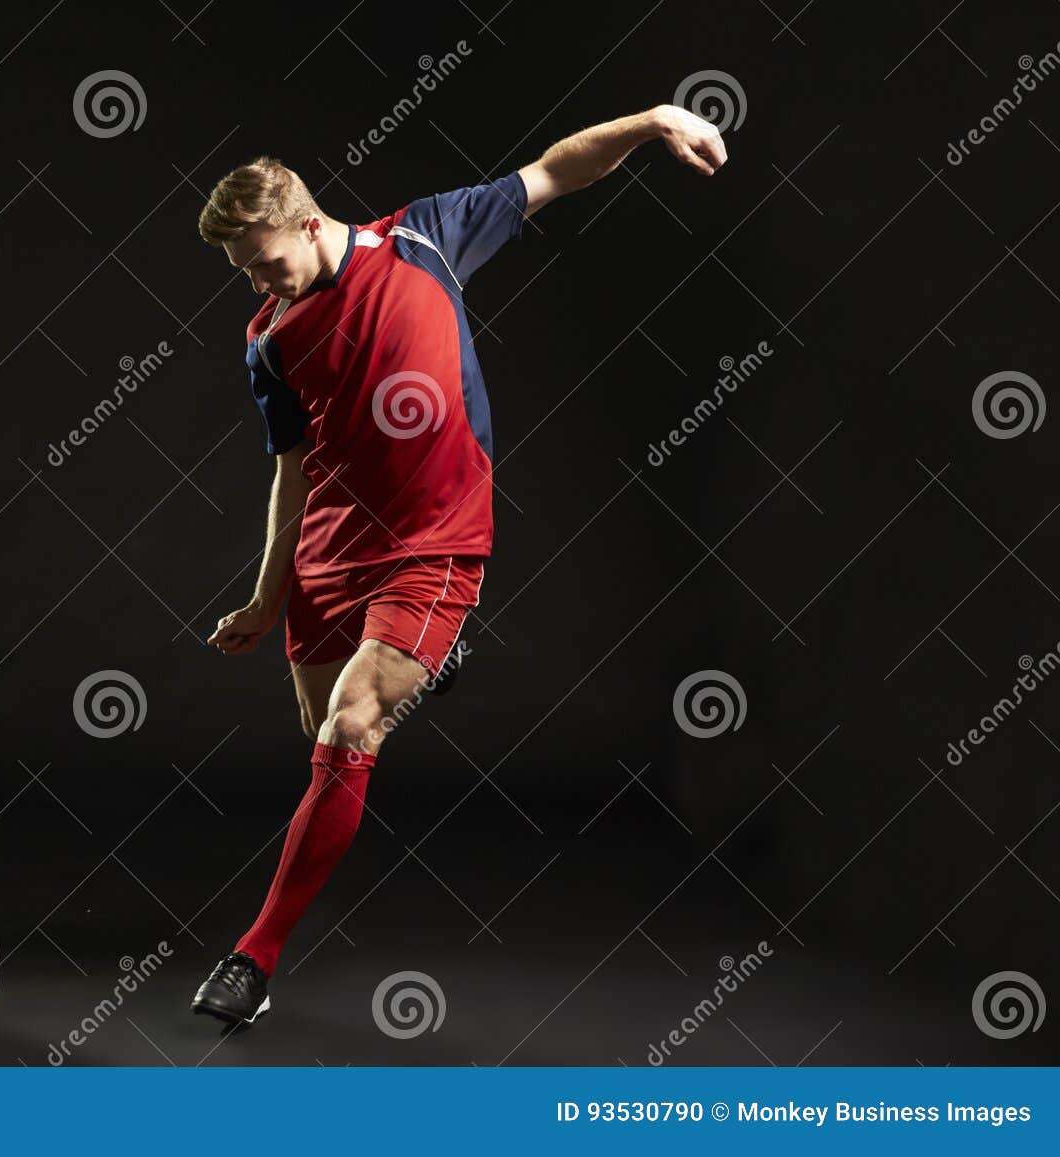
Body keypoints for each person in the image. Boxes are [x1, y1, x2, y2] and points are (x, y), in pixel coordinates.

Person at [189, 104, 727, 1025]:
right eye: (242, 272)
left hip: (433, 540)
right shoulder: (267, 340)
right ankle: (433, 659)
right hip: (330, 552)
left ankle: (252, 960)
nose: (257, 282)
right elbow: (290, 470)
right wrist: (267, 595)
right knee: (327, 743)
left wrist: (652, 122)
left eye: (265, 261)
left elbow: (555, 170)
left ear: (311, 225)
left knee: (352, 725)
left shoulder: (425, 239)